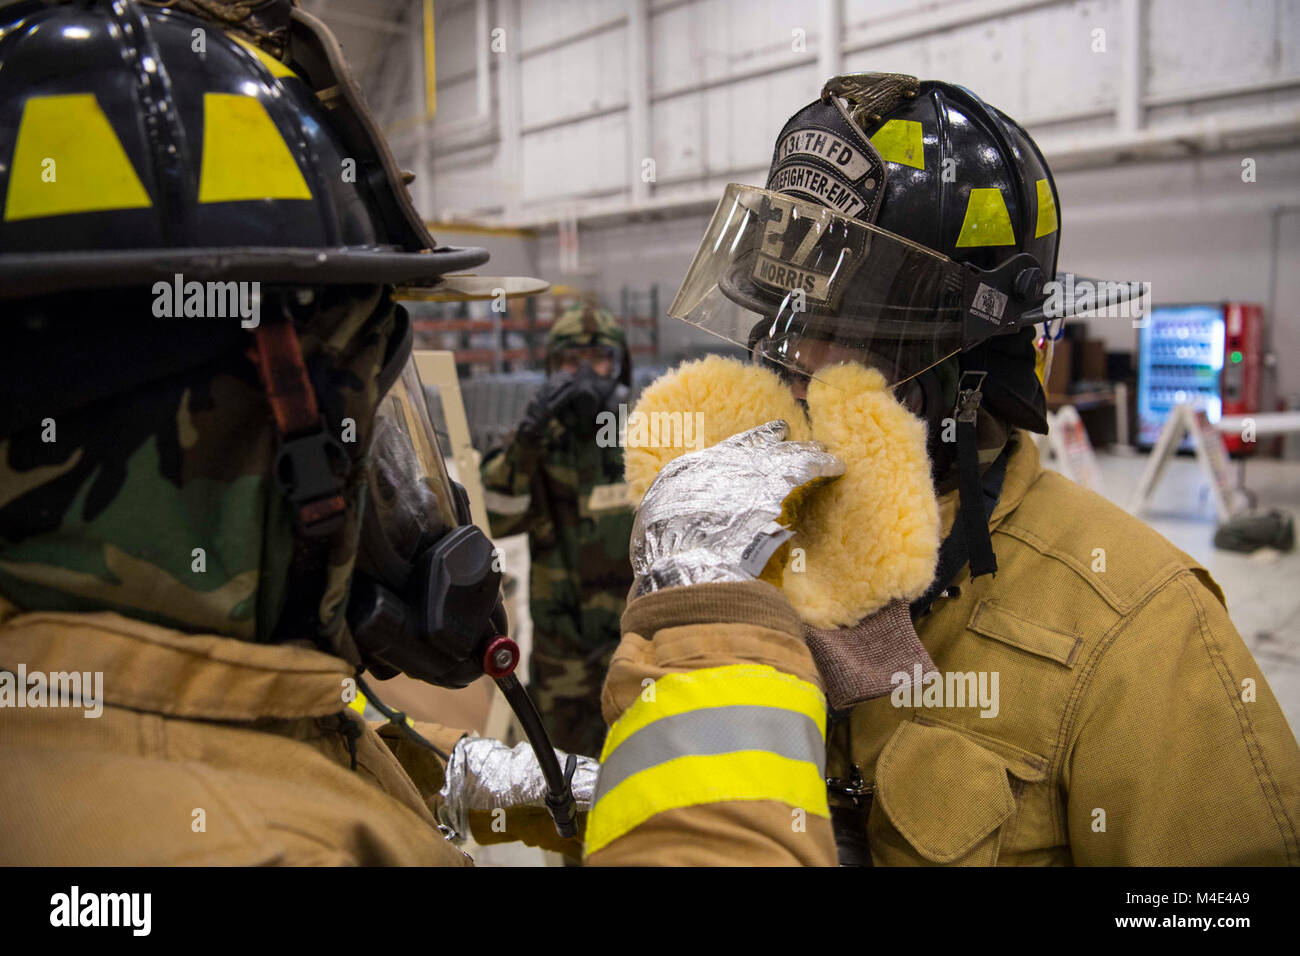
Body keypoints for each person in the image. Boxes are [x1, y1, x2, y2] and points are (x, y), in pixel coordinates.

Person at [588, 72, 1300, 865]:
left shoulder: (1142, 627)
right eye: (784, 321)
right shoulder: (760, 550)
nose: (791, 366)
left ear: (965, 371)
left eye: (846, 332)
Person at [481, 305, 635, 759]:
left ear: (619, 364)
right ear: (552, 367)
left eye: (598, 358)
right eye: (570, 361)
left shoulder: (645, 431)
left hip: (633, 641)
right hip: (561, 647)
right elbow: (497, 515)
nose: (586, 372)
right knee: (567, 770)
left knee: (641, 765)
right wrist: (526, 440)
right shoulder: (538, 440)